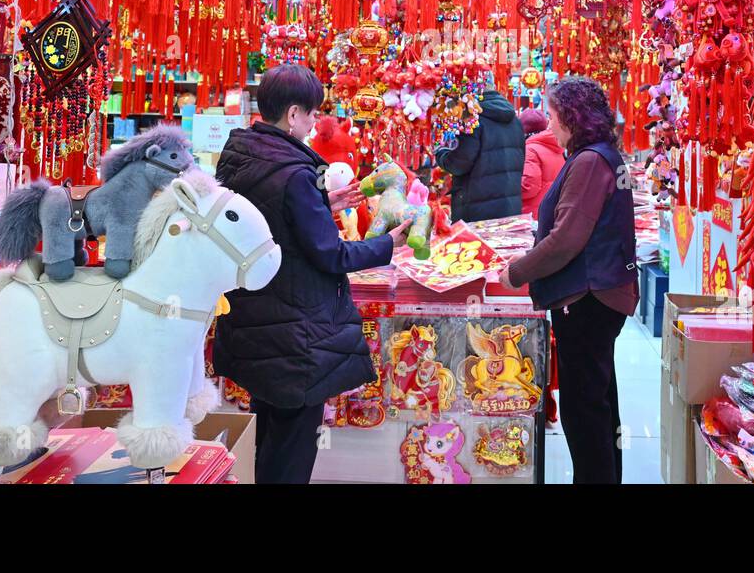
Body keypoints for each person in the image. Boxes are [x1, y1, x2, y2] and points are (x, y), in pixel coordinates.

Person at [212, 64, 413, 483]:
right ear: (292, 114)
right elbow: (330, 255)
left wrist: (324, 205)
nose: (312, 124)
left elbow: (274, 220)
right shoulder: (296, 173)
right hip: (295, 331)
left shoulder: (239, 158)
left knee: (268, 434)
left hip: (254, 321)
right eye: (310, 114)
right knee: (291, 449)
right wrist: (387, 245)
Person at [500, 76, 637, 484]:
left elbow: (567, 239)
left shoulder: (591, 162)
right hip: (600, 295)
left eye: (554, 114)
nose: (549, 123)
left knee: (584, 409)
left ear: (574, 117)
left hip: (588, 298)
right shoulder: (601, 156)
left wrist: (516, 271)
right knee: (599, 400)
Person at [434, 88, 525, 223]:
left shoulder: (472, 120)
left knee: (476, 245)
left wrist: (441, 153)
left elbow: (459, 165)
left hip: (477, 210)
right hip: (509, 206)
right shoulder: (515, 121)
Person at [519, 107, 565, 217]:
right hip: (549, 210)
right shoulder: (555, 147)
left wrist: (508, 188)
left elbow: (528, 186)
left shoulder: (530, 149)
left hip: (532, 213)